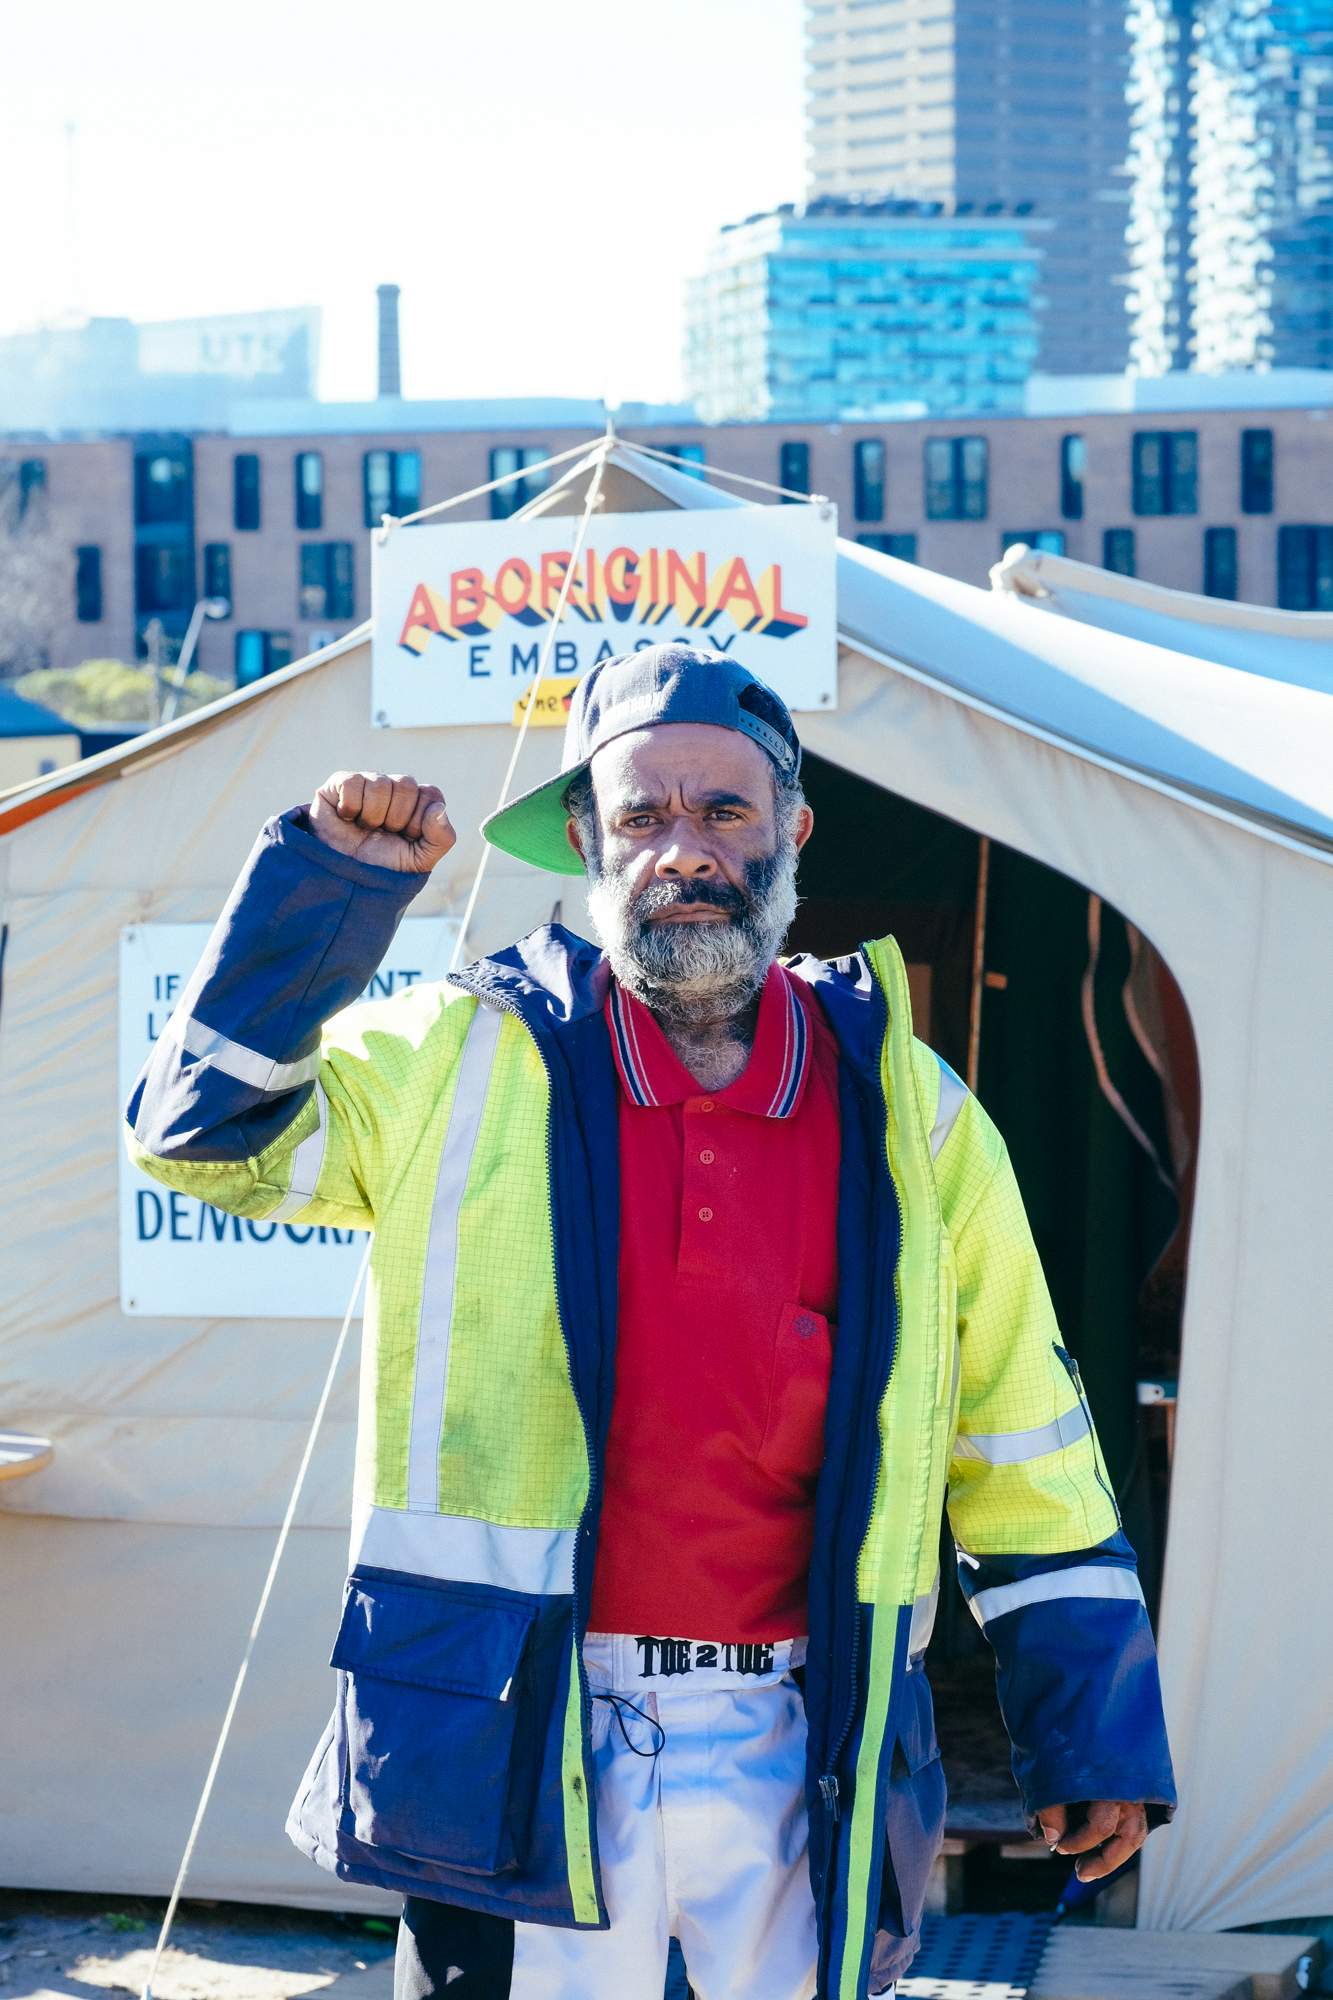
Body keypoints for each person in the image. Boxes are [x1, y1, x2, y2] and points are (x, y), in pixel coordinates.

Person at [126, 646, 1175, 2000]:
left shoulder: (912, 1110)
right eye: (640, 815)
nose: (682, 849)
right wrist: (327, 893)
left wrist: (1086, 1726)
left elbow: (1021, 1442)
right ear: (583, 839)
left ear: (793, 830)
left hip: (808, 1730)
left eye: (725, 812)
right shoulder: (452, 1051)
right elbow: (203, 1143)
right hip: (517, 1726)